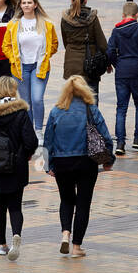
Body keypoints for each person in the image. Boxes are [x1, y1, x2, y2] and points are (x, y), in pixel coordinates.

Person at [43, 75, 113, 257]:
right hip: (86, 161)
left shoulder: (56, 111)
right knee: (83, 203)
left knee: (66, 200)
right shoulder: (91, 109)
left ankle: (65, 233)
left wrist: (48, 164)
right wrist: (108, 160)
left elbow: (47, 140)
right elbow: (105, 136)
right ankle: (76, 247)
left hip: (62, 162)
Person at [0, 76, 40, 259]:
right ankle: (16, 235)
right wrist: (23, 154)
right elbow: (31, 141)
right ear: (12, 91)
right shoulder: (20, 112)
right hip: (16, 166)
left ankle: (2, 245)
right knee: (16, 206)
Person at [1, 0, 58, 131]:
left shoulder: (46, 24)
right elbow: (6, 46)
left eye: (29, 2)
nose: (26, 5)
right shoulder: (13, 24)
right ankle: (29, 132)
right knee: (26, 102)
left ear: (35, 5)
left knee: (37, 99)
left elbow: (54, 44)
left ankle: (38, 130)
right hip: (21, 69)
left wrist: (45, 56)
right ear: (20, 5)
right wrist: (13, 59)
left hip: (39, 67)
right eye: (24, 2)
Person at [106, 0, 138, 155]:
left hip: (122, 71)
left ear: (123, 15)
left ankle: (120, 143)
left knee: (121, 107)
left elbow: (110, 51)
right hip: (137, 69)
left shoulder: (116, 31)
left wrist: (116, 64)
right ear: (137, 14)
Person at [60, 0, 108, 103]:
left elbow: (65, 40)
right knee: (92, 98)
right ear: (86, 1)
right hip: (90, 63)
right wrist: (108, 61)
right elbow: (101, 41)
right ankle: (91, 120)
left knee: (73, 98)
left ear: (71, 0)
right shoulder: (92, 18)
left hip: (71, 62)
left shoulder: (65, 18)